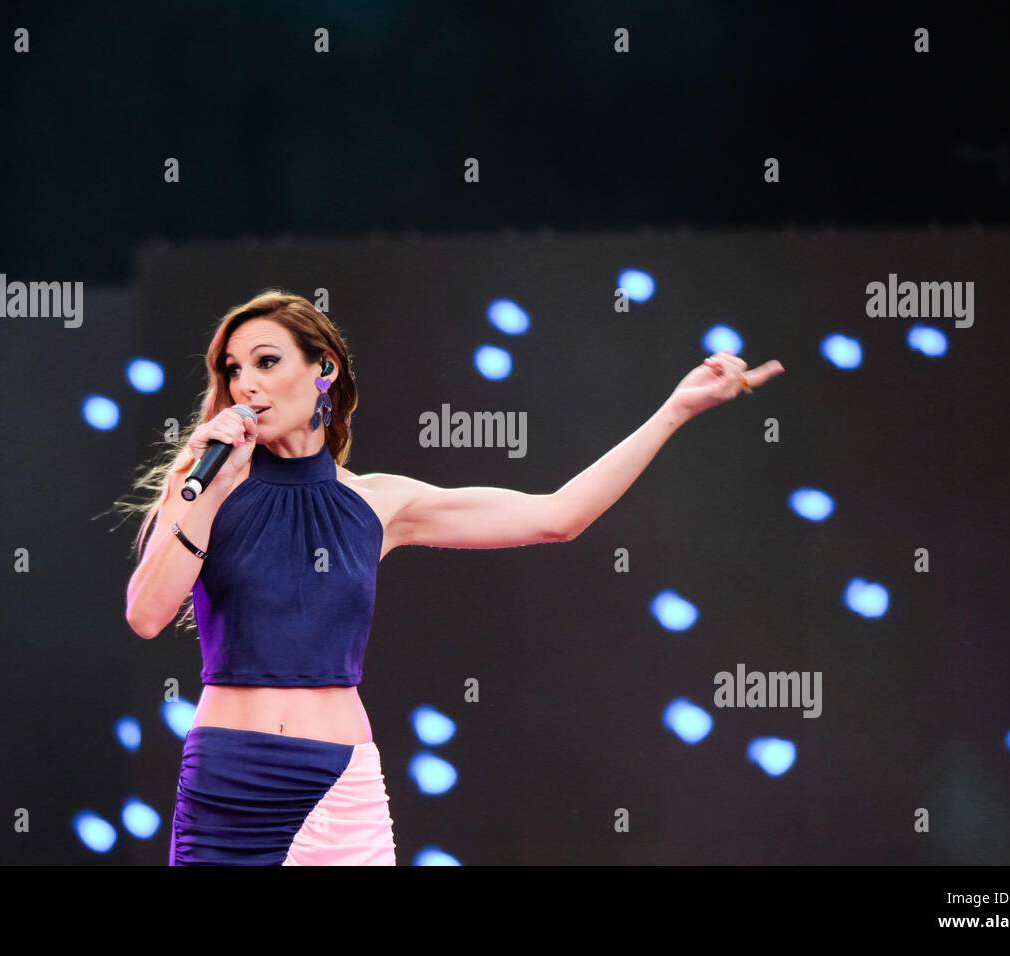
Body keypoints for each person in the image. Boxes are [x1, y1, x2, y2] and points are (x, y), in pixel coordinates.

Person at [122, 288, 783, 865]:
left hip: (341, 785)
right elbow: (147, 615)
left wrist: (674, 411)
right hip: (230, 782)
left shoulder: (379, 502)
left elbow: (557, 516)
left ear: (323, 371)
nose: (246, 384)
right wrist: (206, 486)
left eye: (267, 361)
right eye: (233, 369)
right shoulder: (204, 489)